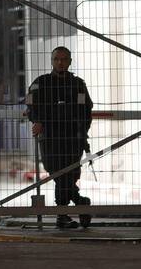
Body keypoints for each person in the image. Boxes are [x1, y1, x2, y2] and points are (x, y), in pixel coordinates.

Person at [28, 46, 94, 229]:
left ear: (70, 62)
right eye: (57, 59)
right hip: (49, 137)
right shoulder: (41, 83)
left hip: (73, 137)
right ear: (52, 60)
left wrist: (83, 131)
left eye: (64, 59)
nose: (60, 62)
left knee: (70, 173)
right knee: (56, 170)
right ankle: (79, 201)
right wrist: (37, 120)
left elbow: (86, 110)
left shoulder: (78, 84)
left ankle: (62, 215)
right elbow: (30, 104)